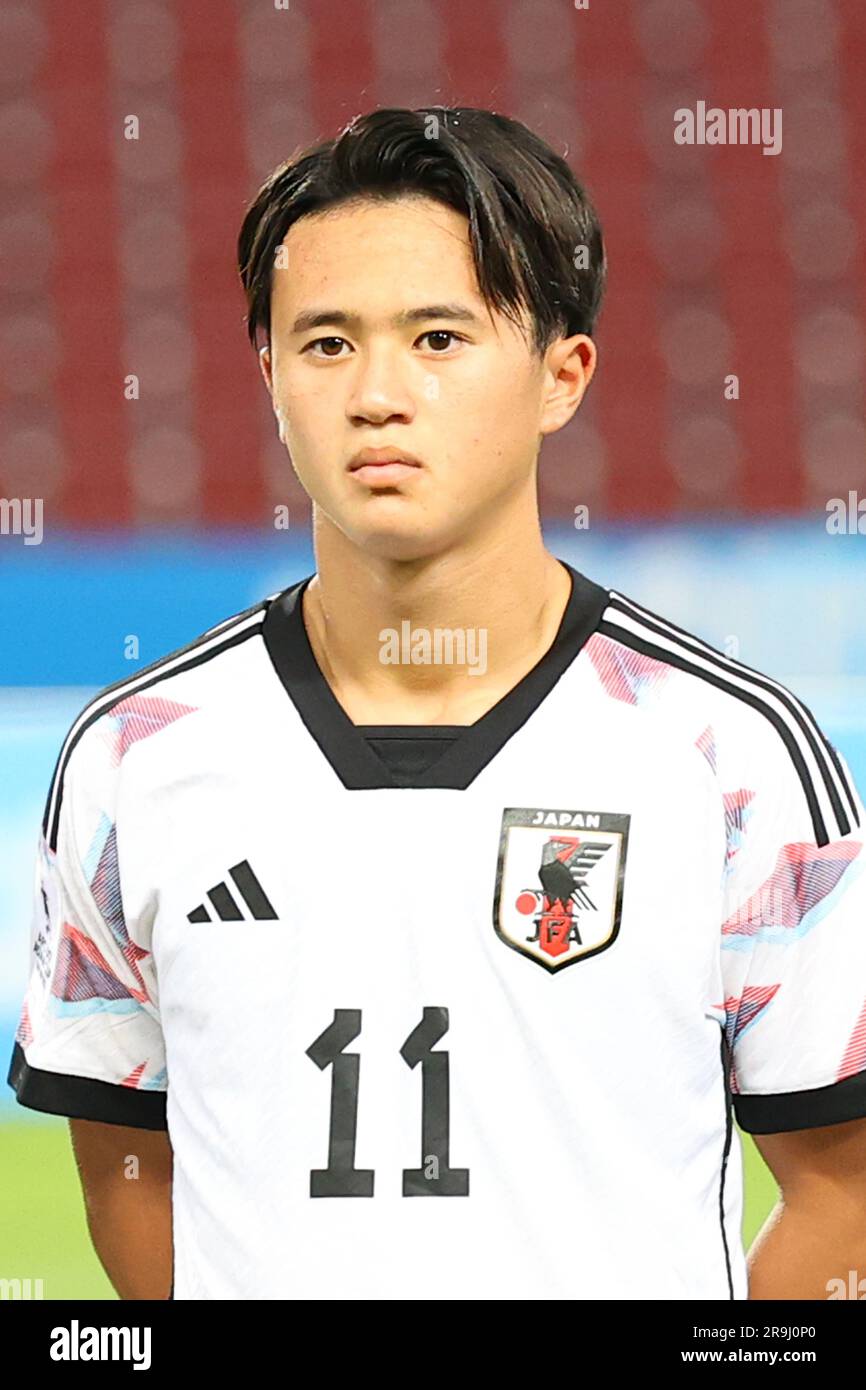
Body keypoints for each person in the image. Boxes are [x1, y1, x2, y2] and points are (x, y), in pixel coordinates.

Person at [8, 106, 866, 1301]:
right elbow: (123, 1167)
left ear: (561, 375)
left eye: (438, 338)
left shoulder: (727, 755)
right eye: (324, 344)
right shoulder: (136, 760)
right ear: (268, 374)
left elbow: (843, 1189)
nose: (375, 394)